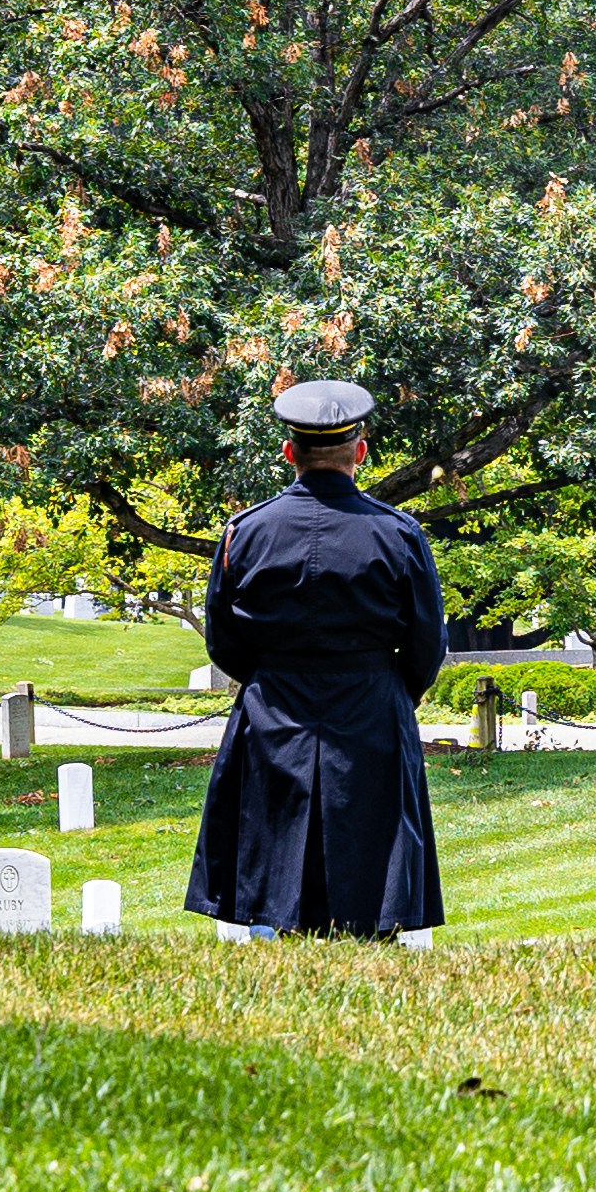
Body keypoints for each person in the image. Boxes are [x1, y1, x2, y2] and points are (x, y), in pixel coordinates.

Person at [185, 378, 447, 940]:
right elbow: (428, 642)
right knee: (369, 827)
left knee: (274, 825)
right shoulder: (398, 534)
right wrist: (396, 690)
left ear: (289, 453)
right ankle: (372, 930)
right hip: (371, 700)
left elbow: (223, 640)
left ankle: (277, 926)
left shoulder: (244, 533)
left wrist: (268, 678)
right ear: (360, 451)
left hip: (275, 705)